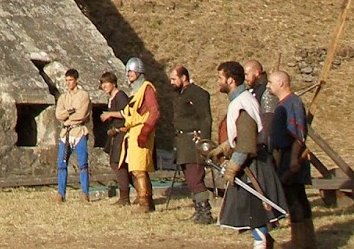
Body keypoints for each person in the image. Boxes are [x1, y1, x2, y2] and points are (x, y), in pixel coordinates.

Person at [213, 60, 288, 248]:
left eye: (220, 78)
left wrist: (233, 166)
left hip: (252, 167)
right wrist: (224, 147)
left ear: (231, 81)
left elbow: (246, 143)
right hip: (251, 162)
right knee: (255, 215)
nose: (218, 82)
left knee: (256, 215)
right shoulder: (243, 99)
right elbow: (243, 134)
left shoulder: (242, 103)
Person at [268, 70, 315, 249]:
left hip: (291, 156)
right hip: (284, 155)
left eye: (270, 82)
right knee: (292, 199)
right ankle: (300, 240)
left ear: (281, 83)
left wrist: (294, 160)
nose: (268, 86)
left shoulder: (292, 103)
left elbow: (298, 135)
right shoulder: (283, 103)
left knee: (297, 199)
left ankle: (304, 242)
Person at [169, 63, 216, 225]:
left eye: (174, 79)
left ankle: (205, 212)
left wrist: (204, 142)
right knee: (190, 178)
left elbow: (205, 118)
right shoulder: (181, 94)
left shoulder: (197, 93)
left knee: (195, 178)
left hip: (193, 142)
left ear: (184, 78)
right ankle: (198, 209)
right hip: (183, 142)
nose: (171, 82)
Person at [120, 56, 161, 213]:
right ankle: (147, 201)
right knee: (136, 168)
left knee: (138, 169)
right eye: (128, 71)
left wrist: (145, 132)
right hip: (134, 131)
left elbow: (154, 111)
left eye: (131, 71)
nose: (129, 74)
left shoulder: (146, 88)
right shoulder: (135, 90)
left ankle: (144, 203)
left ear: (138, 71)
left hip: (142, 131)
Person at [53, 67, 91, 201]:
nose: (69, 83)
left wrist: (68, 116)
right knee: (62, 164)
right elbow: (58, 114)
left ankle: (85, 193)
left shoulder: (83, 95)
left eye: (71, 80)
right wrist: (69, 112)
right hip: (66, 133)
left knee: (83, 163)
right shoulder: (63, 97)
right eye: (67, 80)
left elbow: (82, 114)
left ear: (76, 80)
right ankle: (61, 193)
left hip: (78, 131)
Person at [96, 70, 130, 203]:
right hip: (114, 134)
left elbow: (126, 113)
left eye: (106, 83)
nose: (104, 86)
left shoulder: (120, 96)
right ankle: (135, 192)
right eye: (102, 83)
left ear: (113, 83)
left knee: (118, 163)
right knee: (115, 163)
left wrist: (110, 114)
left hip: (122, 133)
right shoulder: (111, 98)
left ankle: (125, 197)